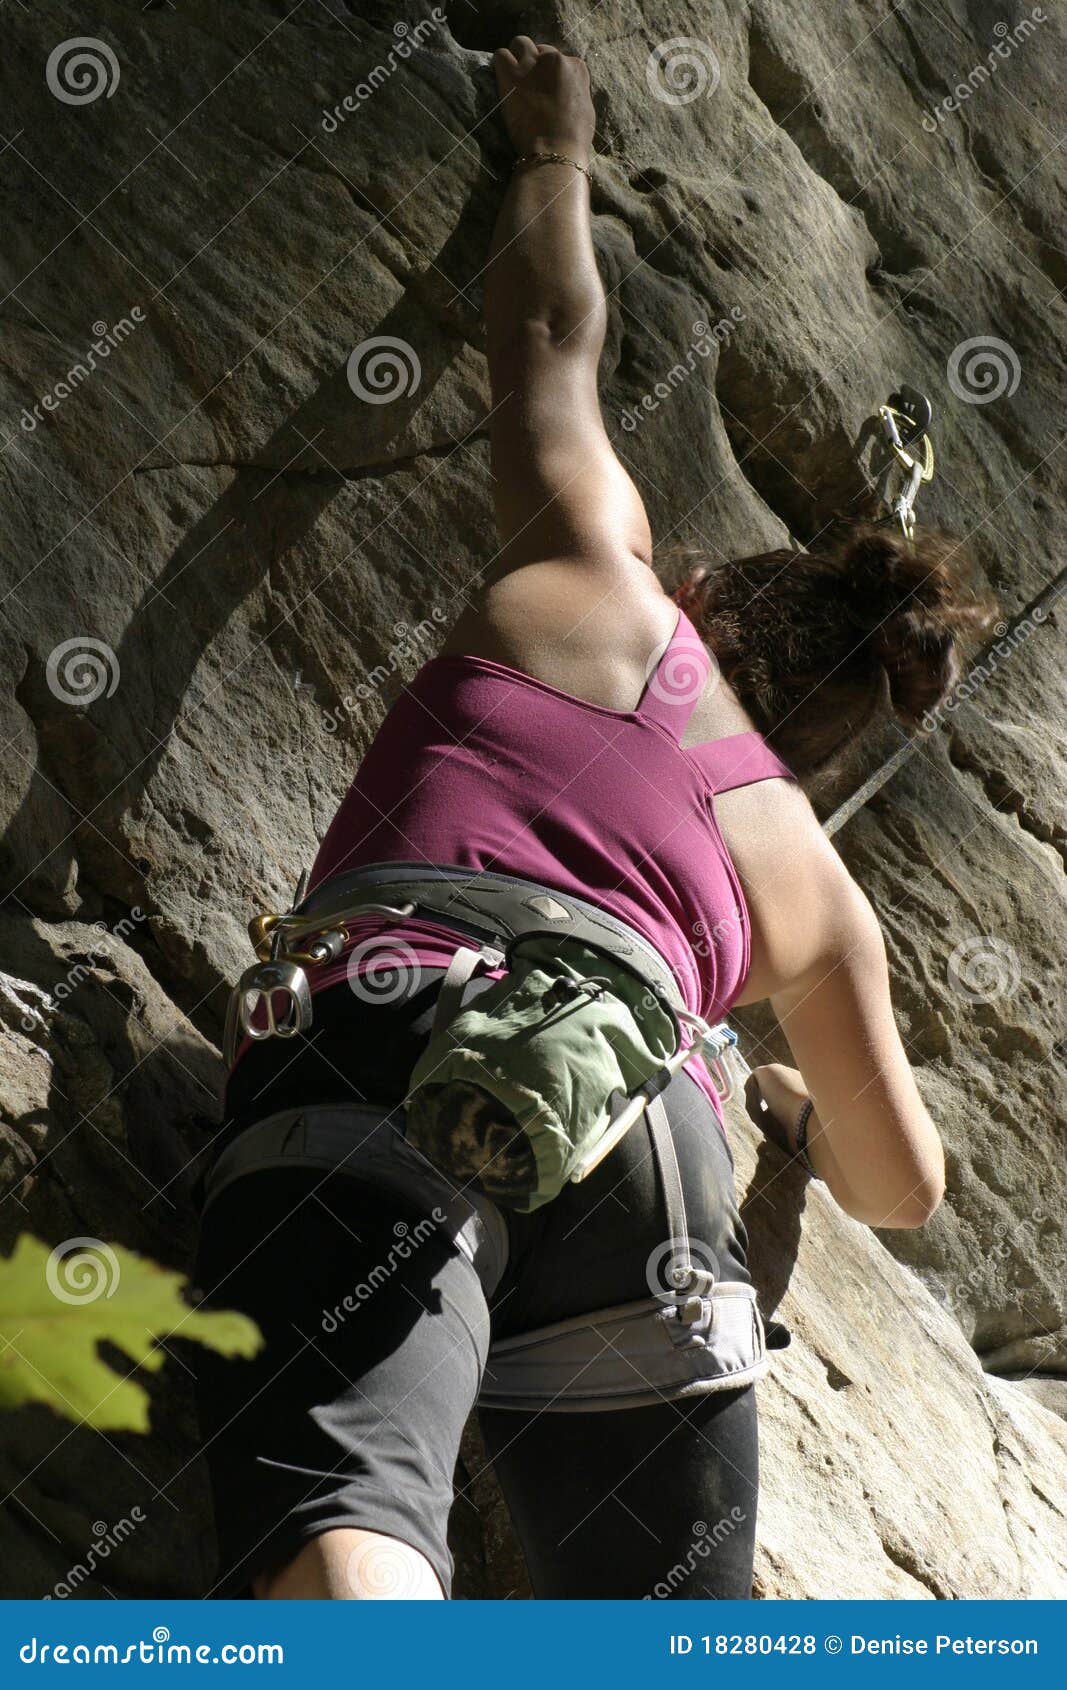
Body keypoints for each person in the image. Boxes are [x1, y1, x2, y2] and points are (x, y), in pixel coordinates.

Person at [192, 38, 994, 1602]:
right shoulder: (813, 888)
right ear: (815, 753)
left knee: (355, 1517)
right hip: (657, 1147)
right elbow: (913, 1185)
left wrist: (554, 144)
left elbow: (551, 336)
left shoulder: (609, 588)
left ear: (700, 591)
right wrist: (799, 1113)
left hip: (407, 1033)